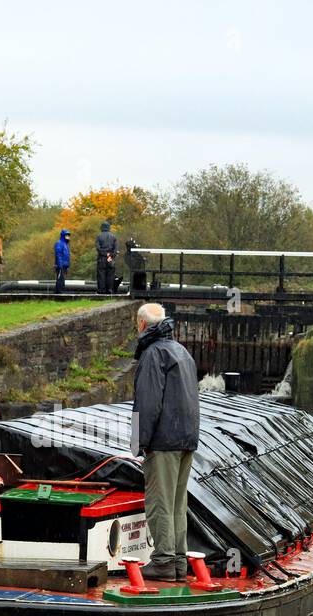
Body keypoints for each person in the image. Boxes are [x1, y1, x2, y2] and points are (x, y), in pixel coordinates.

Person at [130, 302, 200, 581]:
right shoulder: (181, 352)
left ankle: (162, 562)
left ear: (142, 325)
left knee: (159, 501)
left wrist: (138, 443)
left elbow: (145, 404)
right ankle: (179, 562)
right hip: (186, 438)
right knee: (177, 503)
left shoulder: (152, 354)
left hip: (164, 440)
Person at [95, 221, 119, 293]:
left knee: (101, 274)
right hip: (110, 258)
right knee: (110, 274)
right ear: (109, 227)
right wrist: (111, 255)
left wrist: (104, 254)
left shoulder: (99, 236)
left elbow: (98, 247)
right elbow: (115, 248)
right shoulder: (113, 237)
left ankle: (101, 290)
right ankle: (110, 289)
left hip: (102, 258)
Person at [54, 229, 71, 294]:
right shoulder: (59, 243)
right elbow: (58, 255)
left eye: (68, 236)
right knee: (60, 278)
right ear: (63, 236)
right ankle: (59, 292)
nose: (68, 237)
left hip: (64, 265)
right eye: (66, 235)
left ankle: (58, 291)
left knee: (62, 278)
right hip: (60, 265)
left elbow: (66, 256)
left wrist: (67, 266)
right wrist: (60, 264)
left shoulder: (66, 245)